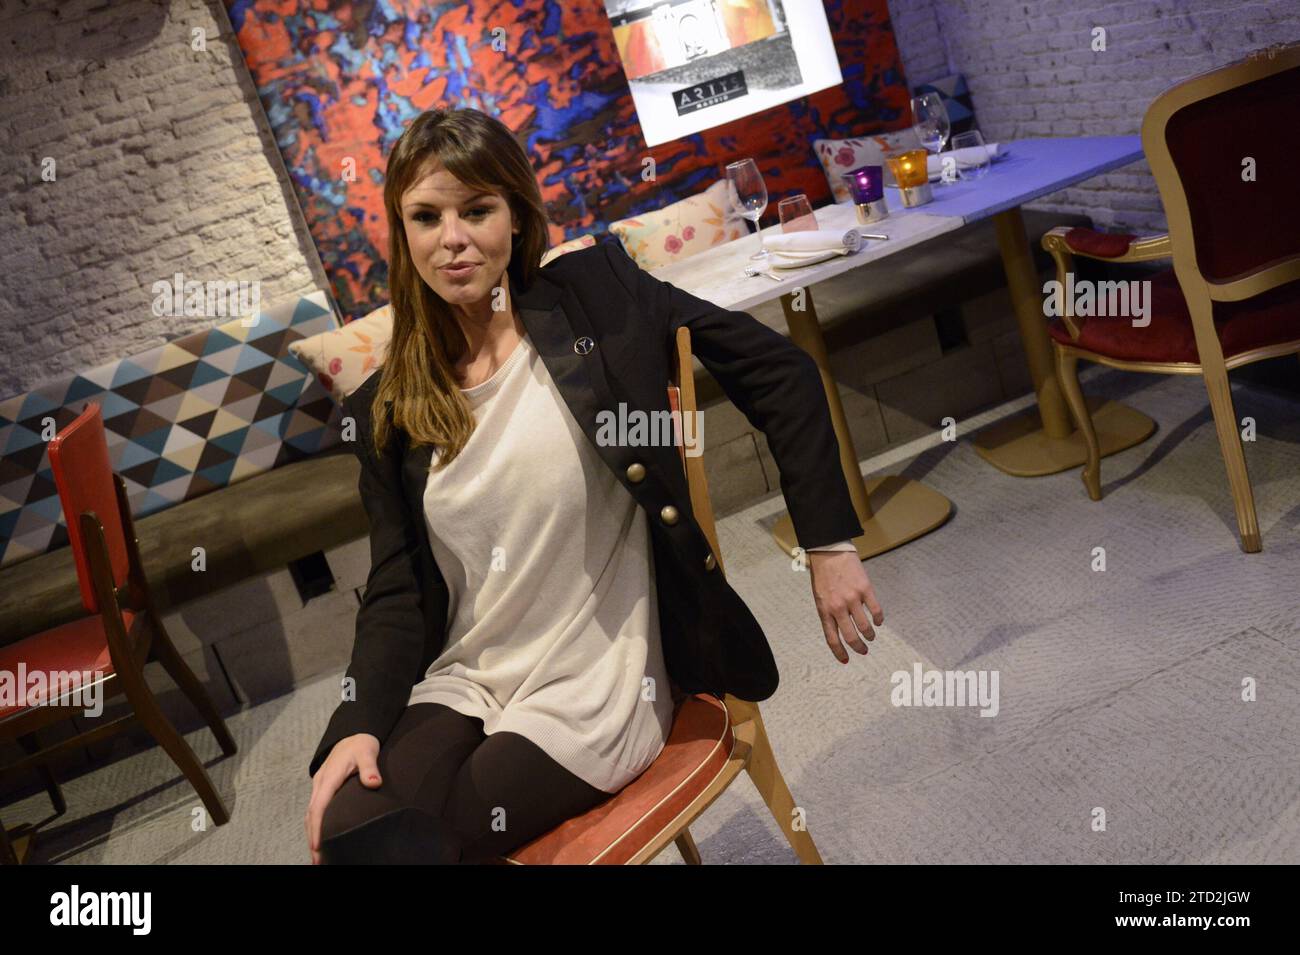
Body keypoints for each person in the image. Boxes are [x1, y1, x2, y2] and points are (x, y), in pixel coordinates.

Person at [304, 107, 884, 865]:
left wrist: (828, 545)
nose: (452, 239)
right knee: (354, 832)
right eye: (426, 216)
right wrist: (358, 720)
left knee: (430, 842)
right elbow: (396, 590)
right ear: (402, 231)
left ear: (516, 215)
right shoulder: (387, 403)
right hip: (470, 675)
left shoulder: (597, 300)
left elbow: (781, 371)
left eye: (476, 210)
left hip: (597, 678)